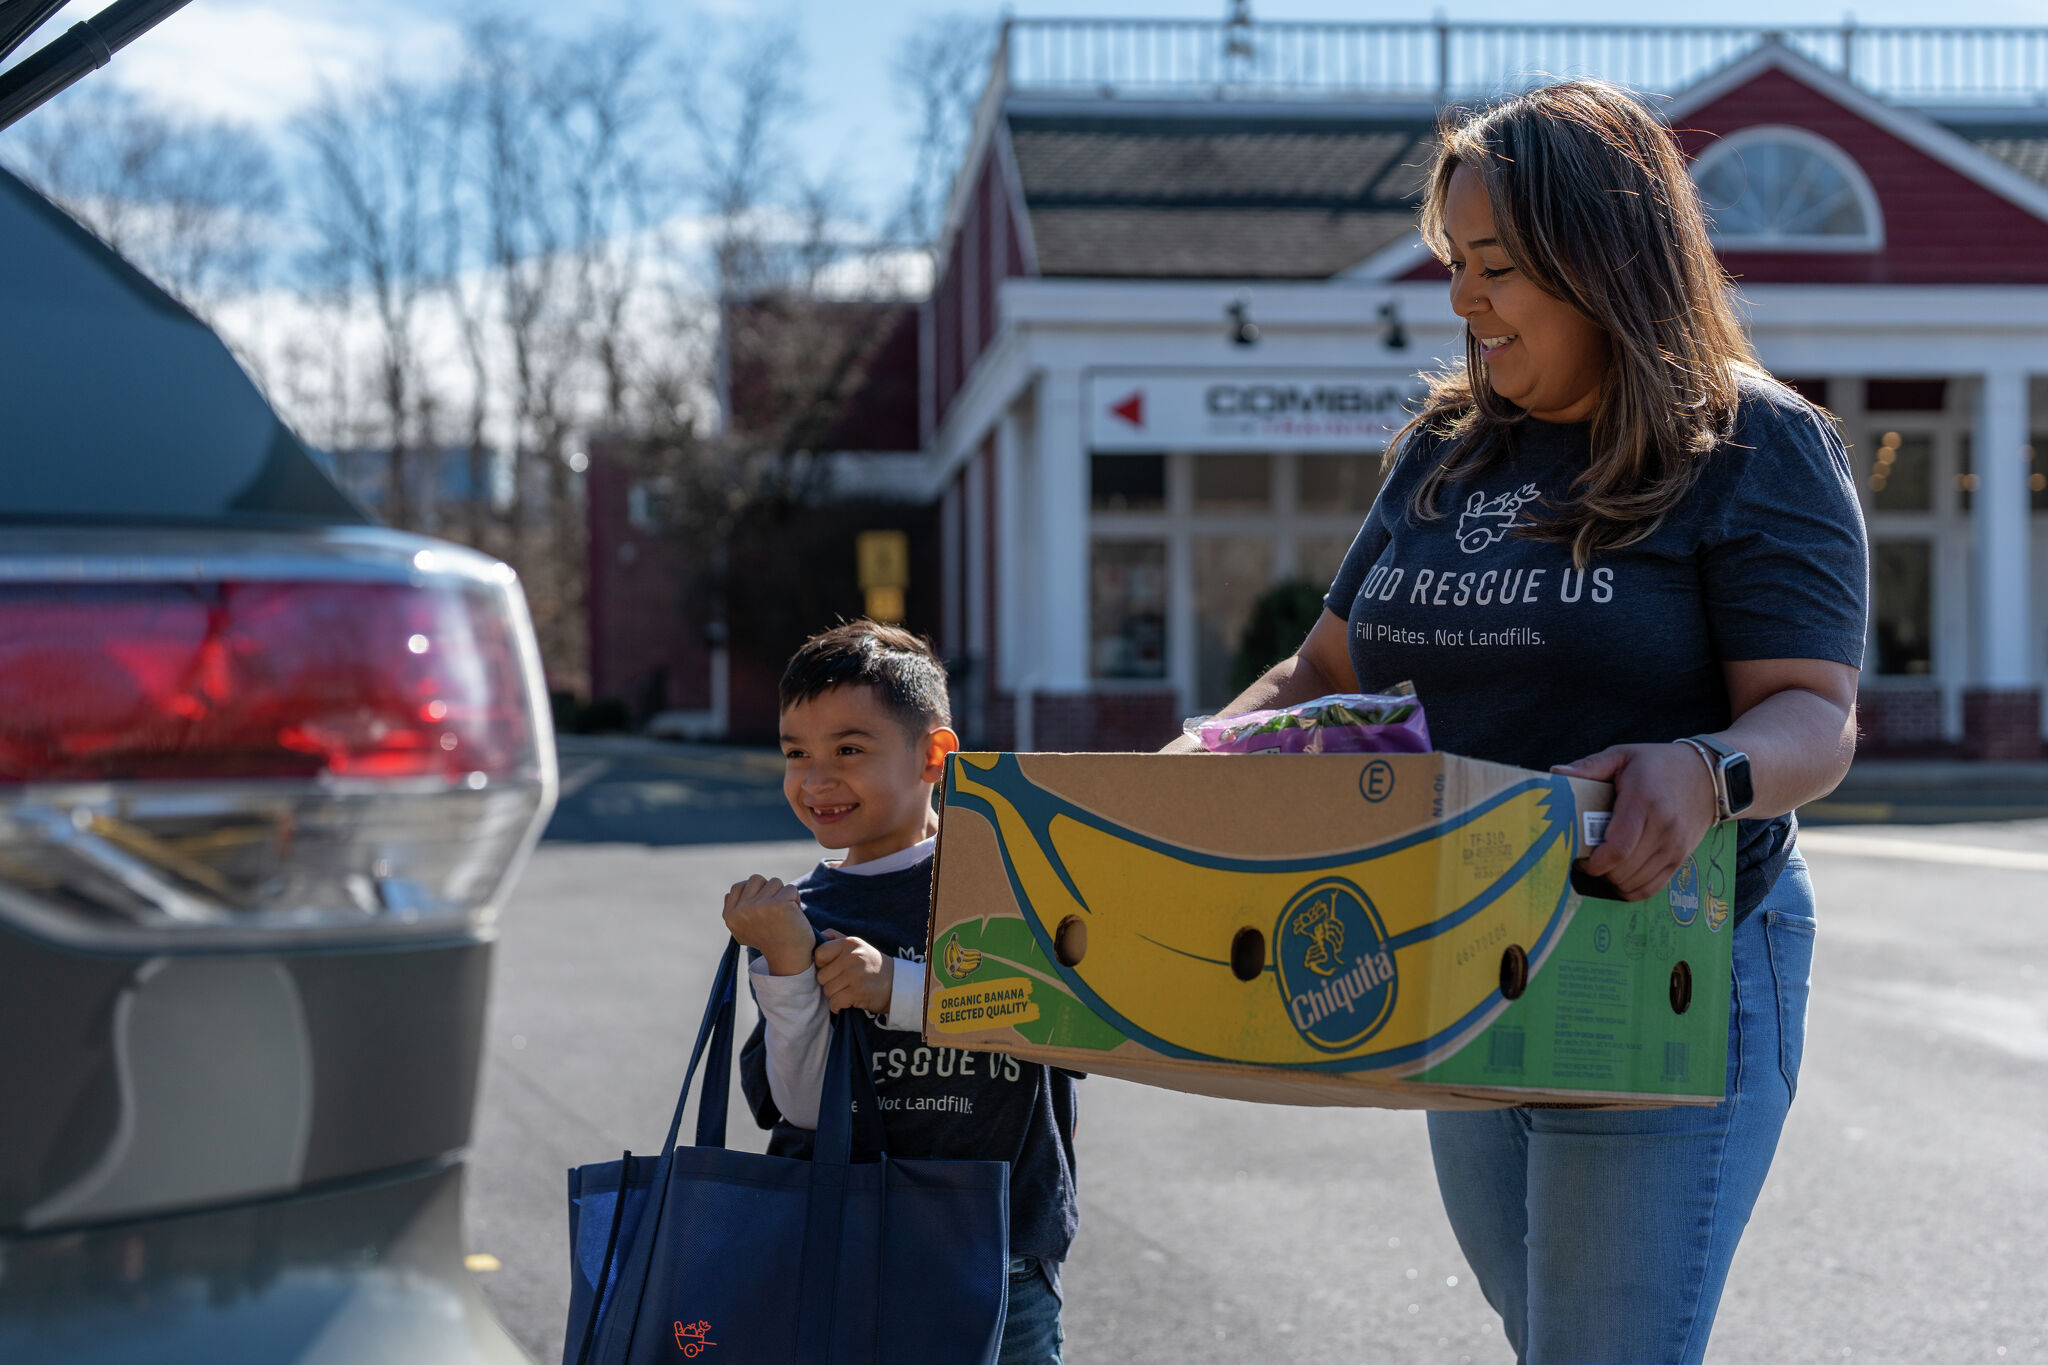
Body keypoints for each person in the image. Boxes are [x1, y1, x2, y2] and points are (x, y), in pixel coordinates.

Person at [1175, 80, 1867, 1363]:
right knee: (1549, 1337)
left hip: (1670, 955)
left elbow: (1812, 716)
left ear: (1601, 258)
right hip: (1464, 945)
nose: (1460, 299)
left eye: (1492, 266)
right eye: (1452, 262)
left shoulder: (1752, 444)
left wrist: (1702, 771)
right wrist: (1195, 767)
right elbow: (1319, 668)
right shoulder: (1443, 452)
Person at [725, 621, 1078, 1365]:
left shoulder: (1014, 880)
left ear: (934, 756)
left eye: (849, 750)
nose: (815, 780)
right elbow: (801, 1109)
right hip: (841, 1256)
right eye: (796, 754)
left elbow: (1075, 1024)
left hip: (1001, 1261)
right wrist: (787, 964)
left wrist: (902, 988)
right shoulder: (798, 915)